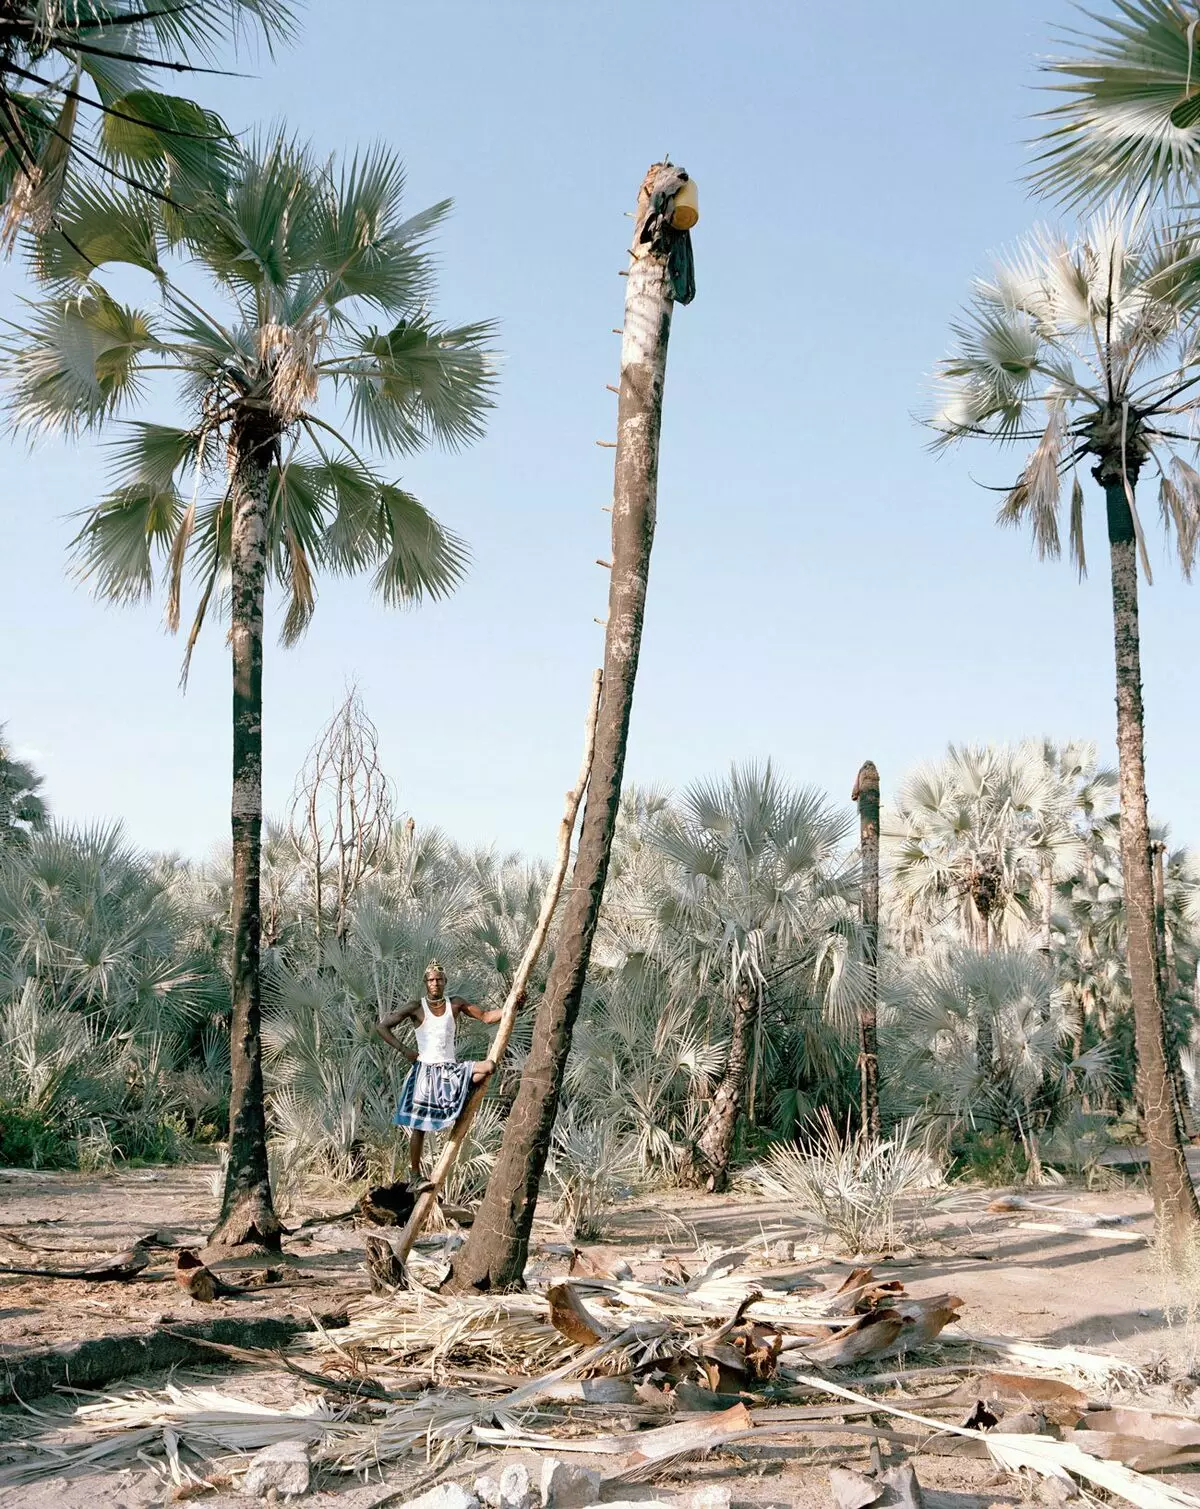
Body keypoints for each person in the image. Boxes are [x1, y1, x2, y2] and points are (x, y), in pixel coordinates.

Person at [375, 961, 502, 1193]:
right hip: (425, 1071)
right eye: (431, 980)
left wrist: (512, 1006)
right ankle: (414, 1176)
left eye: (439, 979)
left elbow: (486, 1016)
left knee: (488, 1067)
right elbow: (382, 1027)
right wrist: (405, 1051)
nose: (435, 983)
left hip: (449, 1070)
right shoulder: (416, 1007)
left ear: (445, 982)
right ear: (426, 983)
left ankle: (461, 1093)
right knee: (419, 1126)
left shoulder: (456, 1004)